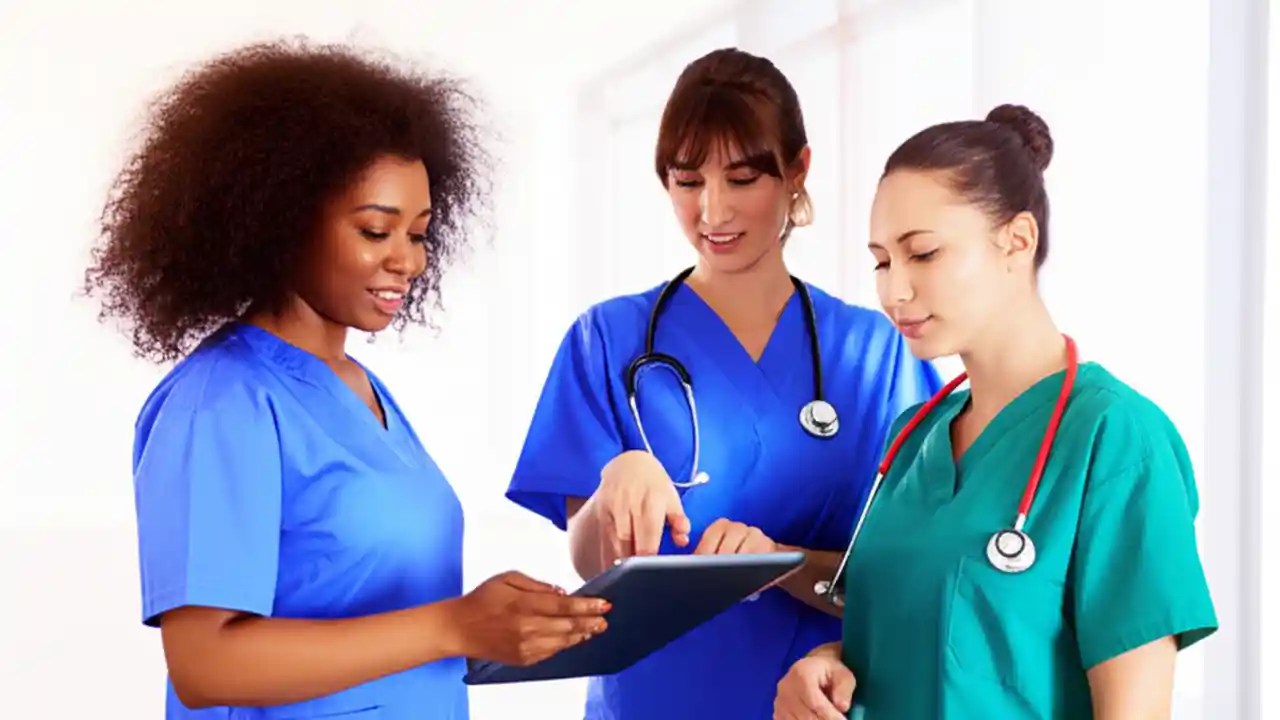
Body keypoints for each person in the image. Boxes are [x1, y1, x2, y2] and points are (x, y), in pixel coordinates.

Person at [82, 39, 610, 720]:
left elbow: (378, 620)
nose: (407, 261)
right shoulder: (222, 401)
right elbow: (205, 664)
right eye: (374, 230)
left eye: (418, 235)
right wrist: (454, 625)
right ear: (282, 221)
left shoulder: (362, 390)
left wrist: (508, 625)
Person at [503, 47, 942, 720]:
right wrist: (614, 482)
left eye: (742, 178)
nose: (712, 212)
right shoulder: (609, 341)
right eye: (686, 181)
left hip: (817, 705)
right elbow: (592, 564)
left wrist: (781, 562)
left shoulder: (875, 353)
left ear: (798, 170)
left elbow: (908, 581)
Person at [772, 104, 1219, 720]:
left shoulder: (1115, 440)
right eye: (881, 261)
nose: (893, 290)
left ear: (1018, 240)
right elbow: (919, 637)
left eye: (923, 253)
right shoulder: (913, 438)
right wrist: (825, 664)